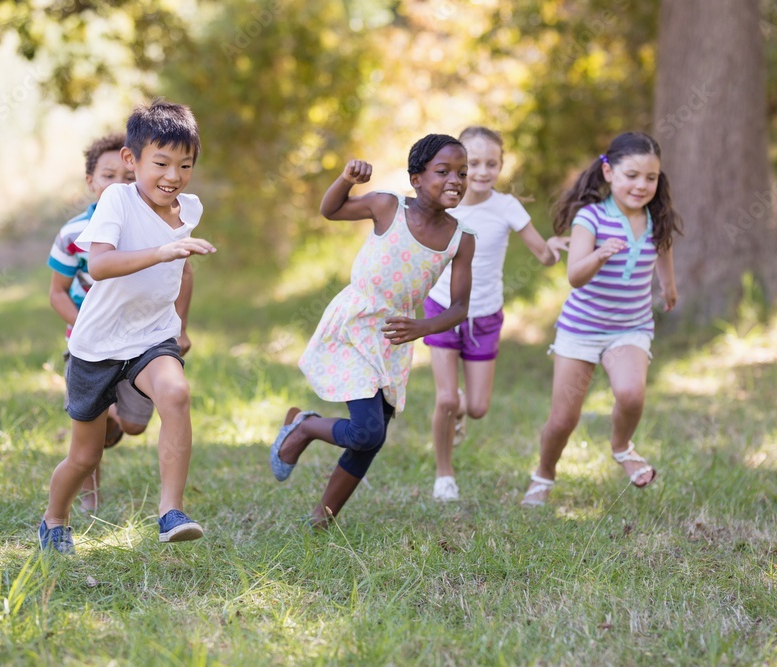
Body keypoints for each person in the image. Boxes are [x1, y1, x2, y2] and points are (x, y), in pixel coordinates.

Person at [268, 134, 477, 528]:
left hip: (394, 335)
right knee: (365, 431)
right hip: (354, 324)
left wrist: (423, 327)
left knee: (373, 436)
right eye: (443, 171)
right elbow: (331, 210)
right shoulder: (387, 206)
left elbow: (460, 308)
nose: (456, 180)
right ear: (416, 178)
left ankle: (322, 518)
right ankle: (306, 426)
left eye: (462, 173)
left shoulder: (461, 239)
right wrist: (346, 179)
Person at [39, 100, 215, 554]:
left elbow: (185, 271)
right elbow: (99, 264)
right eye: (161, 163)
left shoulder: (188, 210)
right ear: (131, 160)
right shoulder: (117, 199)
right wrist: (161, 252)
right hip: (96, 345)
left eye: (185, 165)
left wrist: (181, 326)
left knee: (176, 394)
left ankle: (170, 512)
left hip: (151, 337)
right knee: (84, 457)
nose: (173, 176)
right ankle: (54, 520)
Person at [521, 131, 682, 507]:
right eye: (631, 175)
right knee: (563, 420)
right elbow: (575, 275)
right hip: (581, 330)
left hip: (631, 327)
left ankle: (622, 447)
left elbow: (664, 249)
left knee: (630, 394)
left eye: (651, 177)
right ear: (608, 172)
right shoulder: (590, 218)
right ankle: (543, 475)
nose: (641, 185)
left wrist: (669, 286)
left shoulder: (656, 218)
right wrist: (599, 256)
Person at [423, 126, 569, 502]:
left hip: (484, 315)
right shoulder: (442, 202)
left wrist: (553, 247)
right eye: (473, 163)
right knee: (446, 400)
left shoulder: (506, 207)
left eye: (492, 163)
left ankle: (457, 408)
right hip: (441, 308)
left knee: (477, 407)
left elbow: (542, 254)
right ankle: (444, 475)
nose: (483, 171)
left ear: (502, 166)